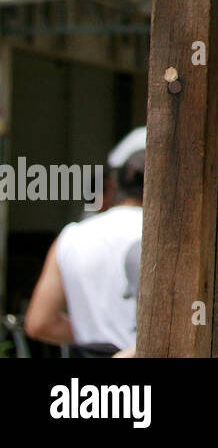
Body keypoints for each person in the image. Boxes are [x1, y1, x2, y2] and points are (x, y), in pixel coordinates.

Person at [24, 142, 144, 357]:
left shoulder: (71, 235)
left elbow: (40, 323)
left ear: (116, 185)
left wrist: (91, 331)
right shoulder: (168, 238)